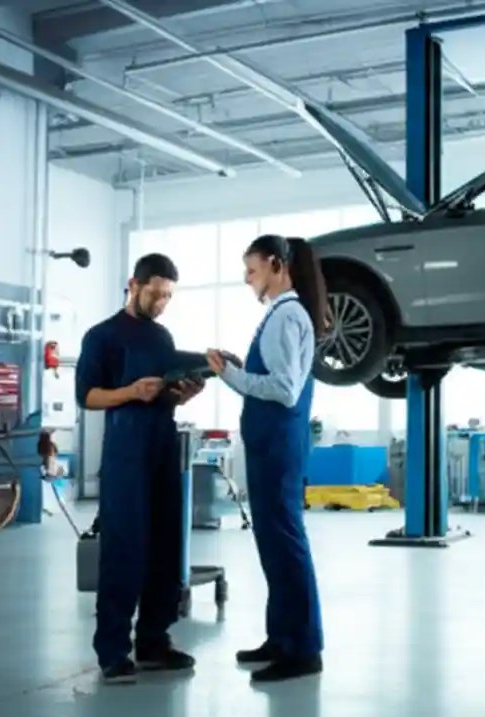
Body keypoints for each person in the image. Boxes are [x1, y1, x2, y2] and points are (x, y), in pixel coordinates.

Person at [75, 253, 206, 685]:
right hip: (125, 449)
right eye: (156, 293)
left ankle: (153, 639)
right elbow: (88, 396)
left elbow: (163, 391)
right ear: (134, 284)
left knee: (165, 544)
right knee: (124, 547)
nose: (162, 302)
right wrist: (130, 390)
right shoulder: (102, 336)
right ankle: (112, 650)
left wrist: (181, 394)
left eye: (169, 296)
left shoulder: (162, 337)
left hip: (162, 444)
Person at [207, 234, 328, 683]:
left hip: (277, 447)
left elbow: (283, 389)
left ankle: (303, 648)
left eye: (252, 269)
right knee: (274, 546)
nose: (246, 279)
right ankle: (282, 637)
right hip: (272, 446)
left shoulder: (286, 315)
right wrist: (241, 369)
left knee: (285, 544)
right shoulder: (283, 315)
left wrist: (231, 375)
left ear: (277, 266)